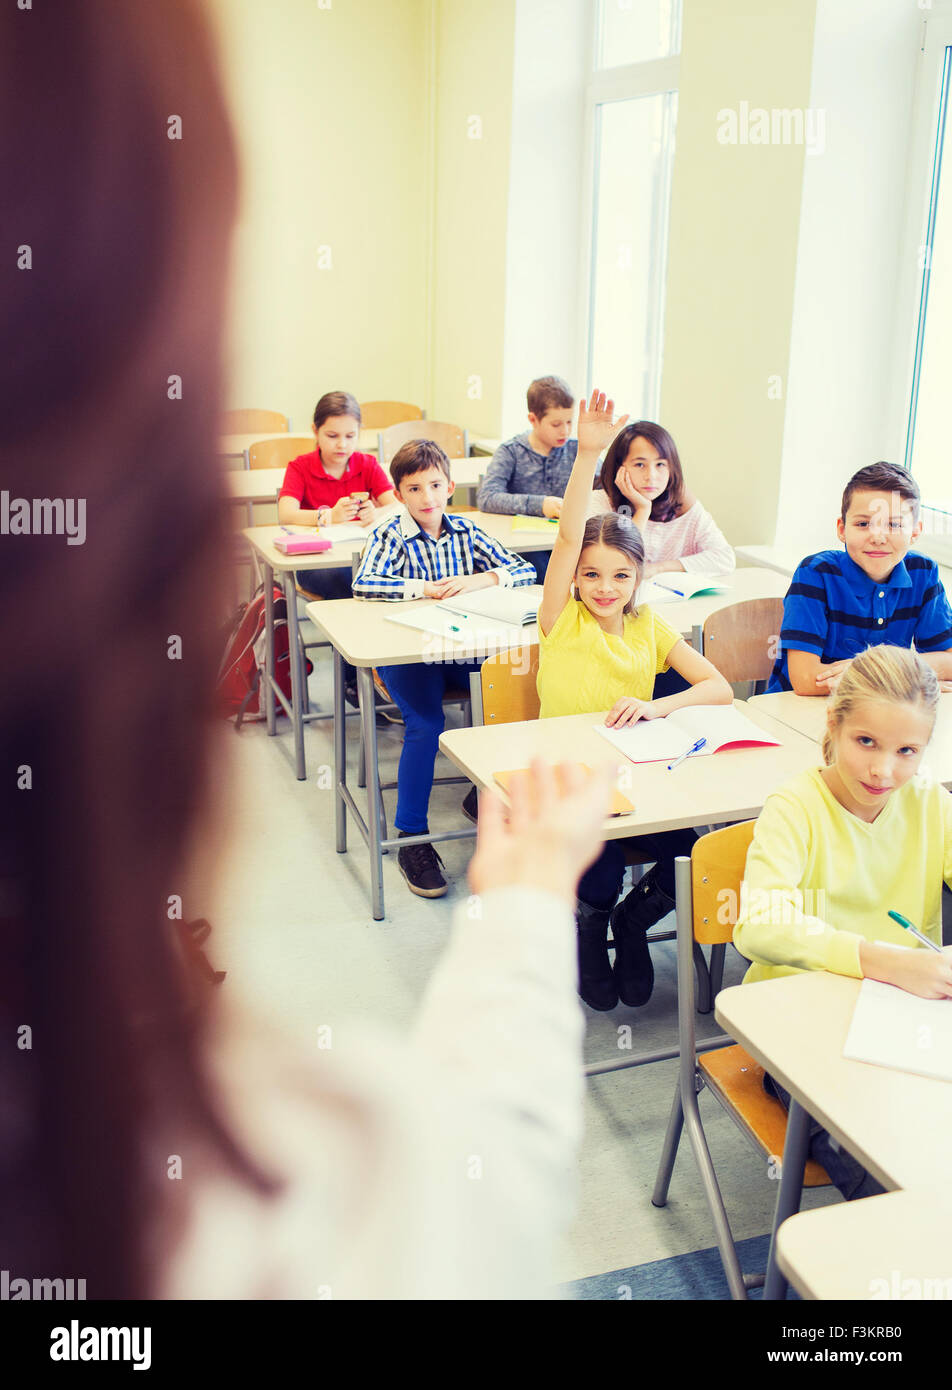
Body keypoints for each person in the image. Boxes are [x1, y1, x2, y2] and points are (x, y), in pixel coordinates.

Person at [0, 0, 613, 1302]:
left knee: (462, 698)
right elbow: (478, 1176)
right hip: (389, 650)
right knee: (430, 713)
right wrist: (527, 900)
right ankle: (409, 825)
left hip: (448, 650)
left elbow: (512, 573)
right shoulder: (296, 1184)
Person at [536, 391, 734, 1012]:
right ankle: (591, 927)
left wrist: (657, 708)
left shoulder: (649, 625)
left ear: (639, 579)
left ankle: (630, 921)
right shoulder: (561, 620)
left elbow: (718, 687)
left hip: (635, 768)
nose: (604, 587)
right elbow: (570, 536)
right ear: (573, 579)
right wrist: (589, 452)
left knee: (693, 853)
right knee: (596, 861)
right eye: (592, 575)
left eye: (621, 576)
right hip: (569, 776)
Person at [734, 645, 952, 1199]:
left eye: (908, 751)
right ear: (834, 724)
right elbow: (757, 926)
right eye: (866, 743)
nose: (884, 769)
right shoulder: (795, 806)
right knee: (892, 1178)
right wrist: (887, 962)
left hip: (902, 1024)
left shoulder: (930, 801)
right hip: (796, 1027)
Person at [352, 439, 536, 897]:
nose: (427, 497)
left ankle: (485, 796)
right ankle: (411, 836)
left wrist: (482, 578)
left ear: (451, 486)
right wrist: (422, 589)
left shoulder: (466, 531)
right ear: (399, 494)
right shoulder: (389, 535)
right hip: (408, 655)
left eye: (435, 485)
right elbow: (364, 583)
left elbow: (522, 570)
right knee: (428, 724)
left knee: (508, 696)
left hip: (457, 648)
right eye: (415, 489)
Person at [767, 461, 952, 695]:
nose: (878, 537)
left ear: (915, 531)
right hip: (792, 713)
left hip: (877, 712)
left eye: (894, 525)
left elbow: (949, 662)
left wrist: (882, 669)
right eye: (863, 524)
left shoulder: (923, 573)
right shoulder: (816, 573)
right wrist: (908, 674)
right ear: (842, 529)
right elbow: (806, 680)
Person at [278, 390, 396, 708]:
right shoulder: (301, 466)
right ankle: (353, 676)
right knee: (350, 585)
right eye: (332, 436)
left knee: (377, 584)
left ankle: (383, 673)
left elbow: (396, 505)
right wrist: (325, 515)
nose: (341, 445)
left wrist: (377, 511)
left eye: (349, 436)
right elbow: (286, 513)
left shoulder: (366, 464)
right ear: (315, 431)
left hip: (358, 559)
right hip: (317, 565)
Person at [476, 375, 578, 583]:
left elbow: (603, 490)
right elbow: (487, 497)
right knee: (543, 570)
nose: (565, 431)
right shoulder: (511, 451)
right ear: (533, 419)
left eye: (569, 422)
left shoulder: (578, 450)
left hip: (569, 540)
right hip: (528, 547)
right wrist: (540, 505)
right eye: (556, 424)